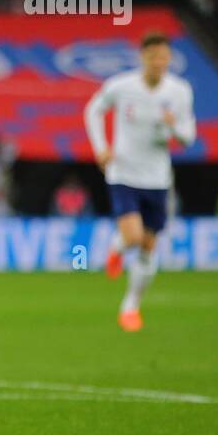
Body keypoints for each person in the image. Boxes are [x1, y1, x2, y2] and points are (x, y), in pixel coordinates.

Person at [84, 31, 195, 332]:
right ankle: (119, 246)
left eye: (163, 56)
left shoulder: (180, 91)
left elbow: (189, 136)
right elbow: (93, 110)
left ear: (169, 58)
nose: (158, 62)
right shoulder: (121, 86)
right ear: (142, 57)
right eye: (153, 56)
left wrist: (175, 129)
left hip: (157, 178)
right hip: (124, 172)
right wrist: (100, 147)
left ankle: (130, 306)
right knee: (134, 236)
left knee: (148, 245)